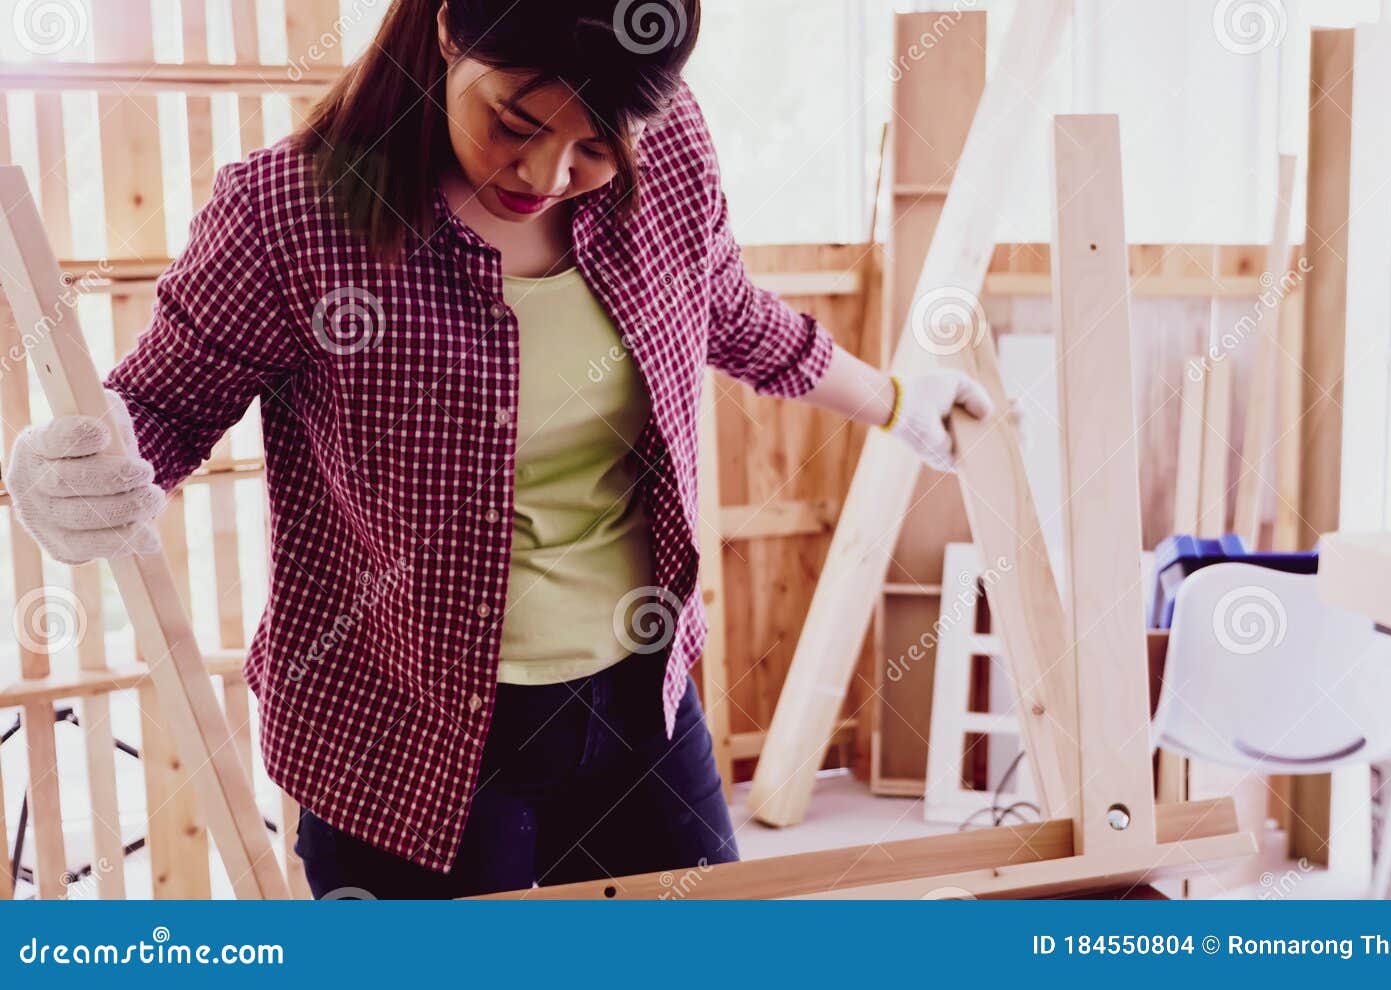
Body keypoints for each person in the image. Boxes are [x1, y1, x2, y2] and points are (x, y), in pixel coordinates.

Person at [5, 0, 992, 899]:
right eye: (514, 122)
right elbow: (163, 410)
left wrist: (894, 400)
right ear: (446, 31)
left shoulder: (673, 149)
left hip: (637, 700)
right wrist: (80, 470)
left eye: (597, 148)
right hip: (402, 730)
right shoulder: (293, 211)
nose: (545, 176)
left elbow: (723, 310)